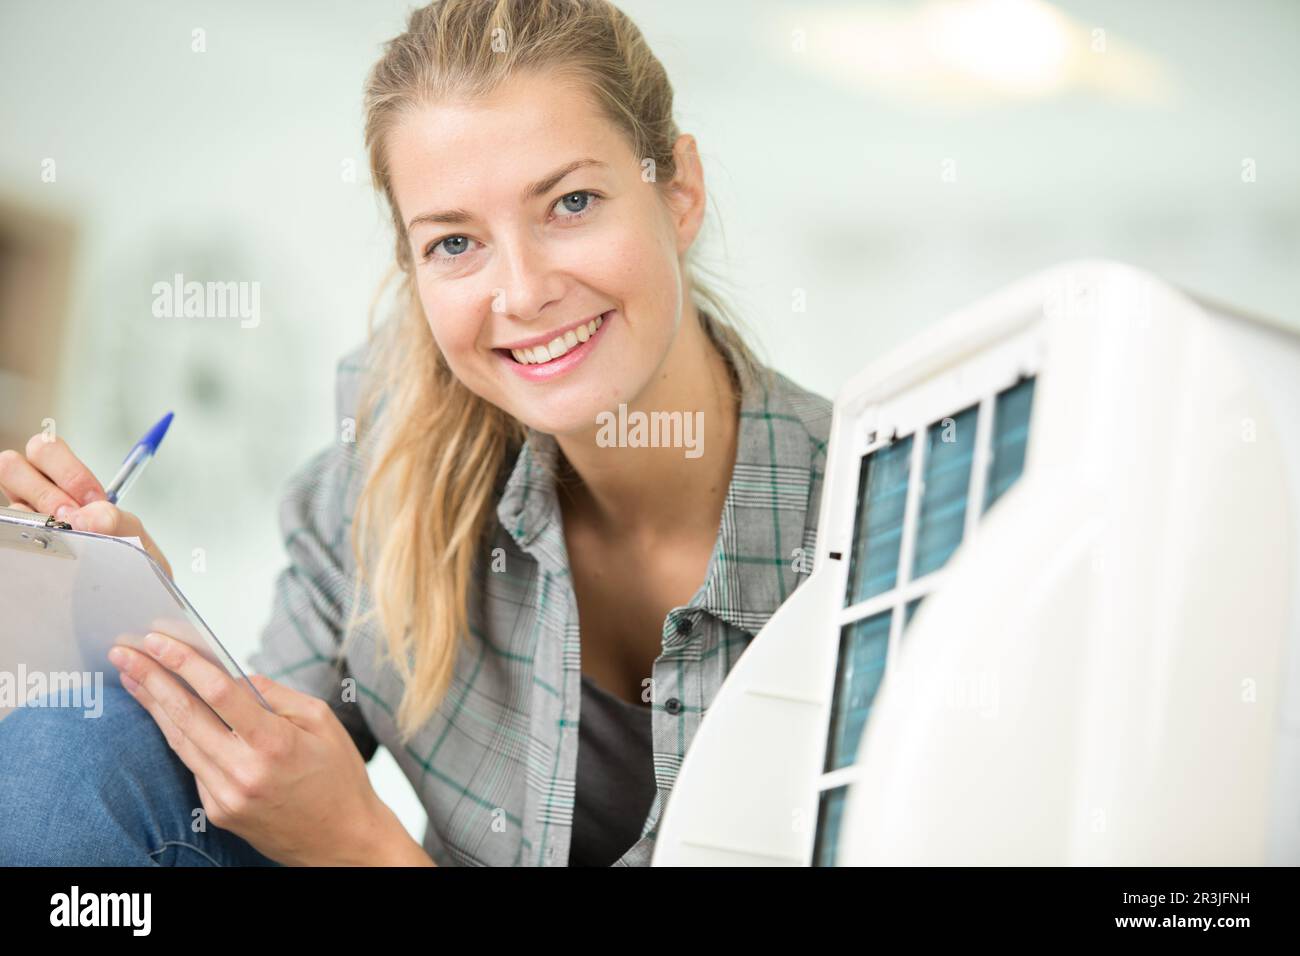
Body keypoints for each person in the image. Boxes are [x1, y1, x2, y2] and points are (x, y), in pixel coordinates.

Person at [0, 0, 830, 866]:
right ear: (412, 267)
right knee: (61, 753)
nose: (521, 291)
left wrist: (366, 848)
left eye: (571, 202)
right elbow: (247, 769)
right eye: (455, 243)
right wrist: (132, 619)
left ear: (680, 191)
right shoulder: (386, 466)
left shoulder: (866, 514)